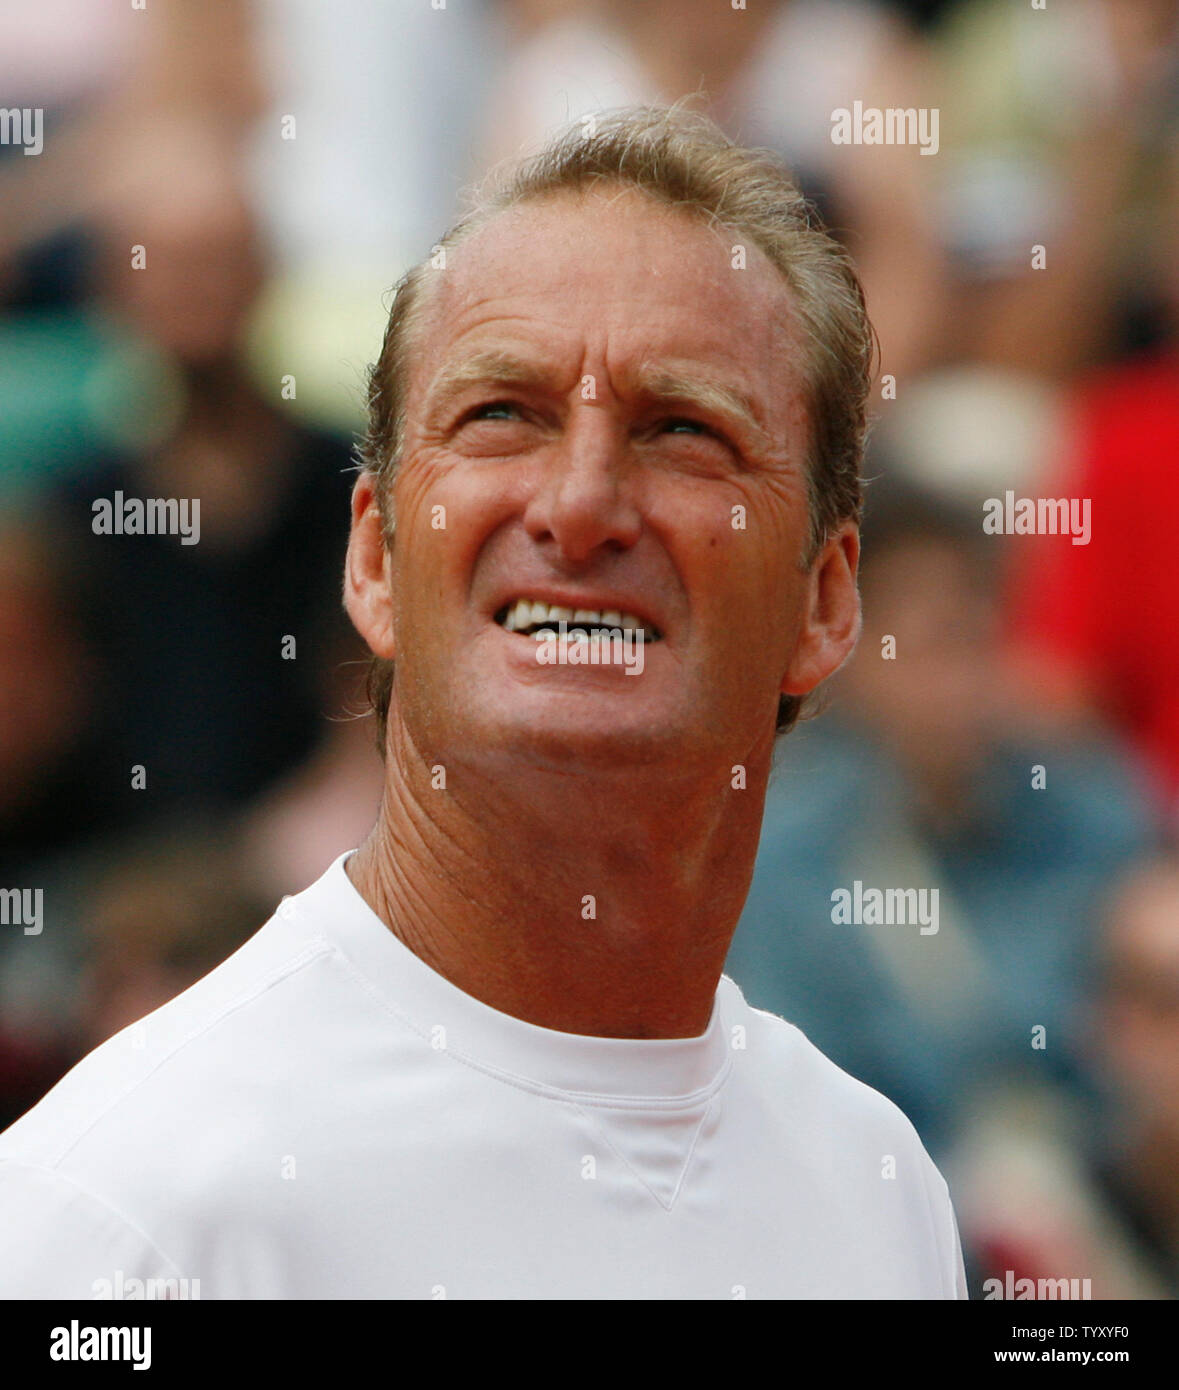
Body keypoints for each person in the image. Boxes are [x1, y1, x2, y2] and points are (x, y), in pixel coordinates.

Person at [0, 105, 966, 1299]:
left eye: (683, 429)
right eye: (502, 414)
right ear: (373, 563)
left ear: (825, 602)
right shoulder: (121, 1216)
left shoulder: (877, 1187)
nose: (581, 503)